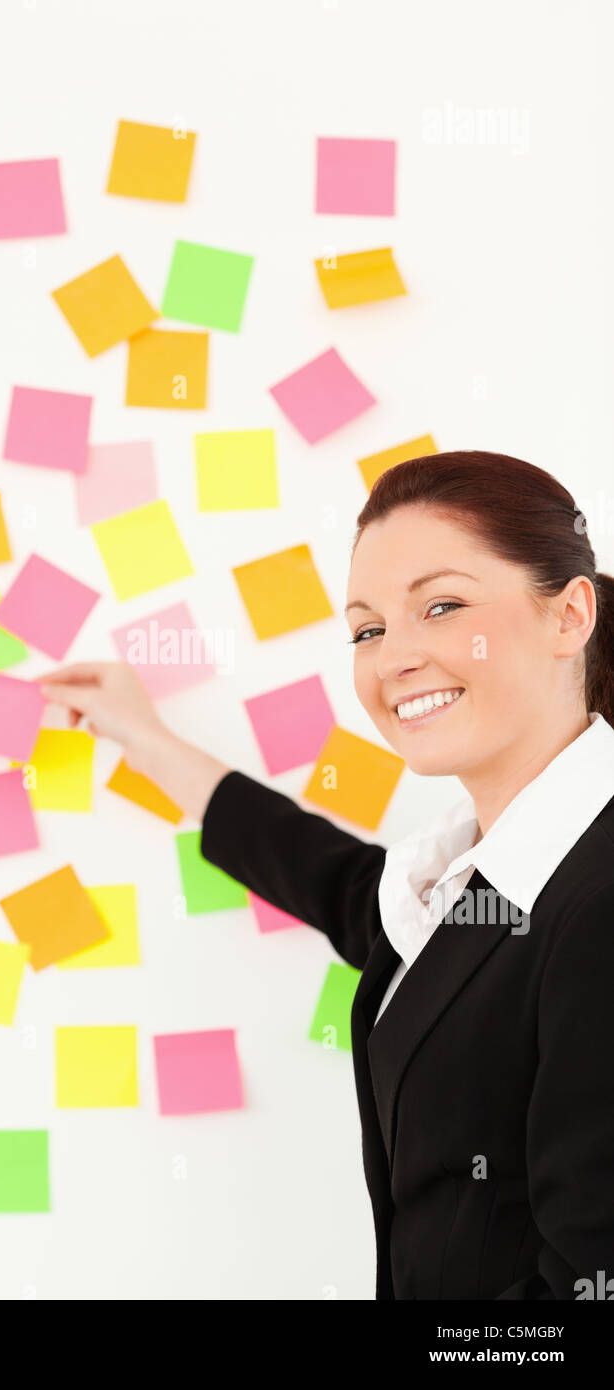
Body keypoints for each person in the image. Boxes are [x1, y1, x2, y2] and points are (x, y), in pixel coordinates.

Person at [36, 450, 614, 1300]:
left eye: (443, 606)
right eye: (369, 630)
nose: (393, 660)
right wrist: (145, 737)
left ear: (569, 617)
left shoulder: (596, 903)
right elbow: (336, 881)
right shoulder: (476, 883)